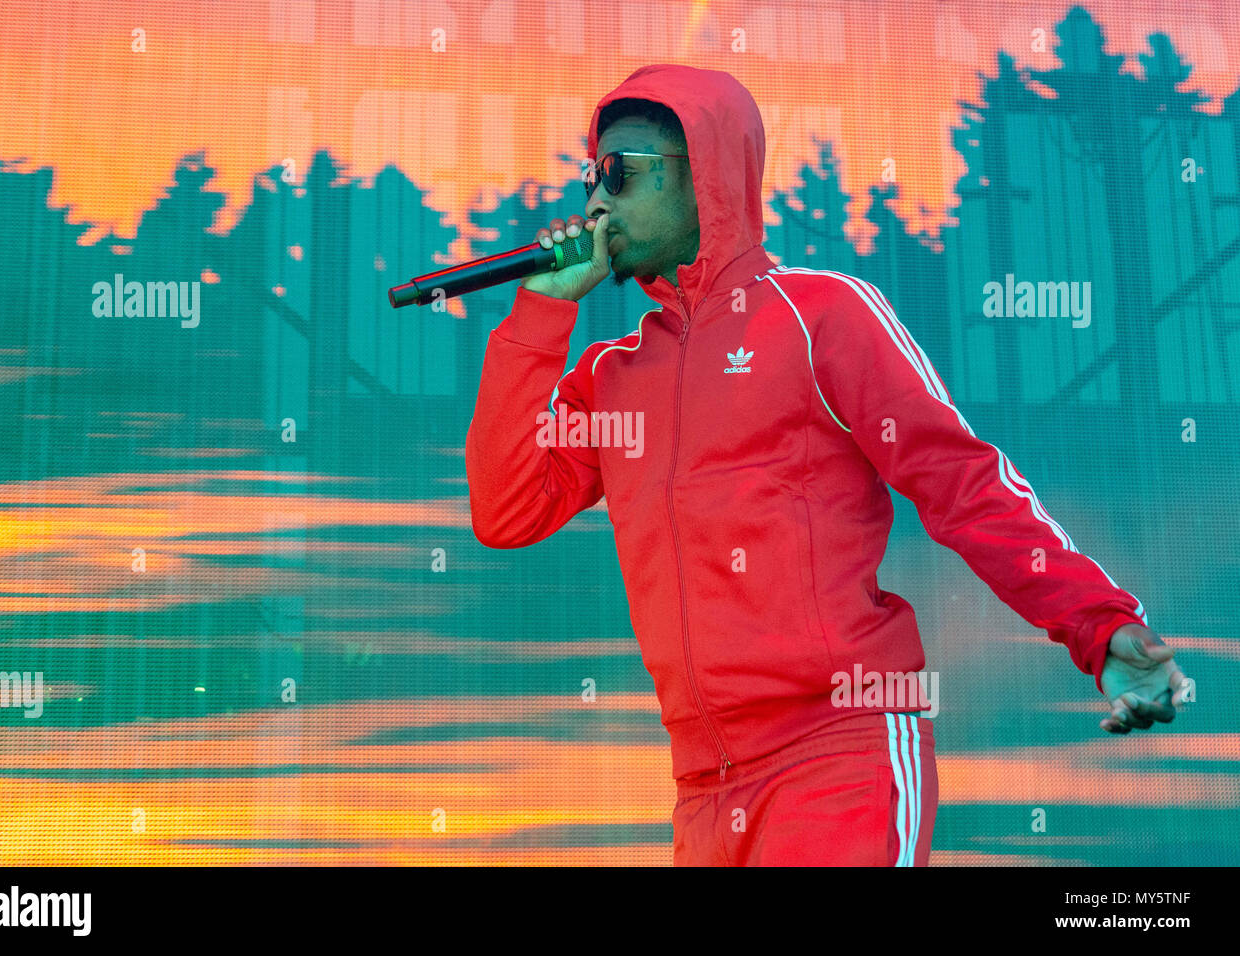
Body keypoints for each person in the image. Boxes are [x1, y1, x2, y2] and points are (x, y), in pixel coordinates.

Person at [464, 64, 1190, 866]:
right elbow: (505, 513)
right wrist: (544, 308)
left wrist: (1098, 624)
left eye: (621, 172)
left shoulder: (821, 317)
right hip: (703, 789)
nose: (596, 200)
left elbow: (965, 485)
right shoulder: (610, 376)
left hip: (838, 753)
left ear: (705, 174)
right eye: (589, 174)